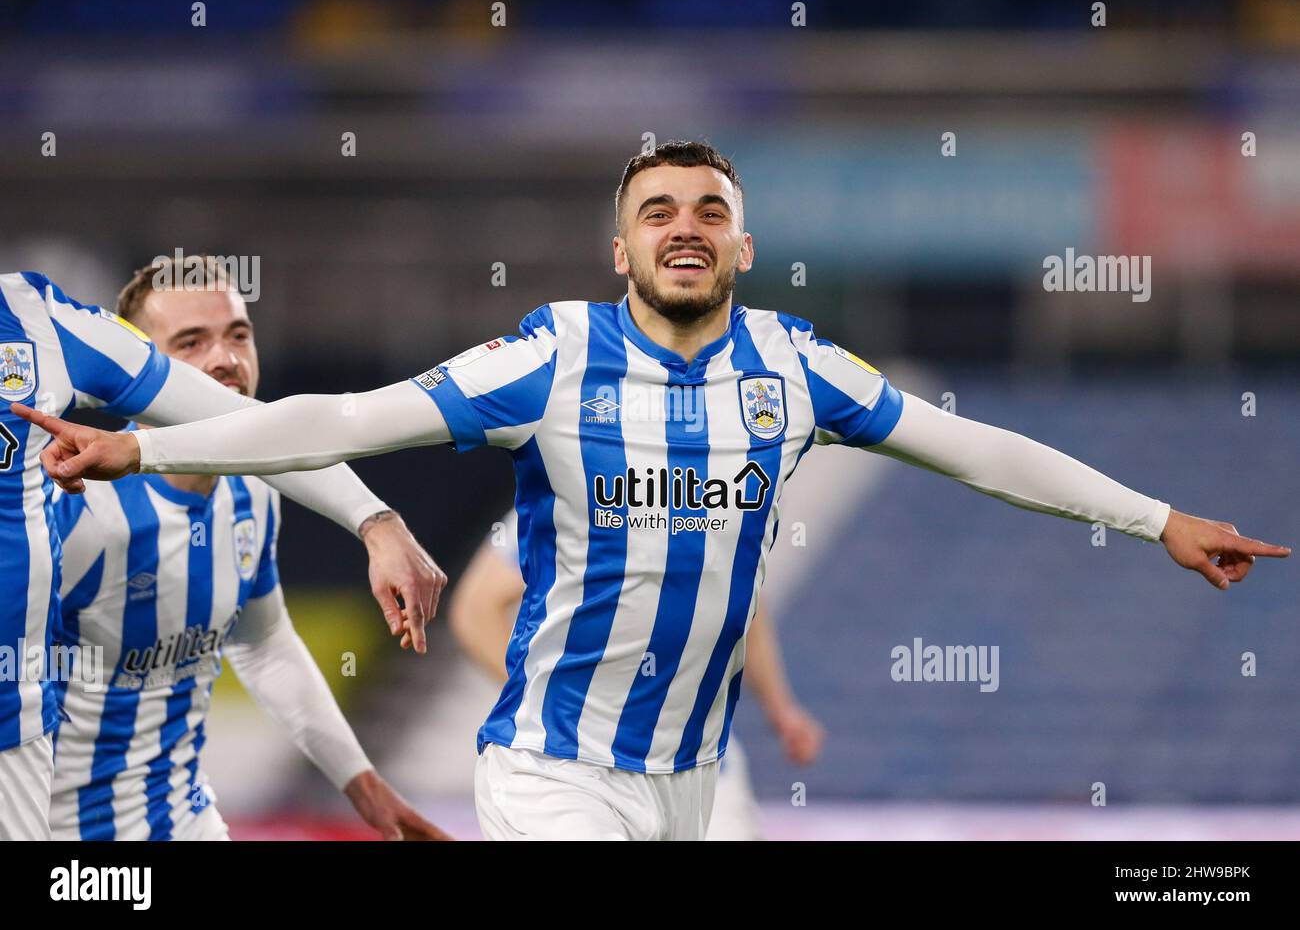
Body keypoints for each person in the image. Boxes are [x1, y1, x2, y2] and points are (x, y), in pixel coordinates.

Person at [16, 142, 1290, 840]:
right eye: (657, 209)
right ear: (617, 247)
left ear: (738, 244)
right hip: (556, 770)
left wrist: (1156, 518)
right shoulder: (556, 355)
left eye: (709, 210)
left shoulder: (796, 367)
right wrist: (140, 446)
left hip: (695, 781)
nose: (684, 224)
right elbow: (353, 416)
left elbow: (975, 448)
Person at [0, 266, 443, 841]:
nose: (224, 361)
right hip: (65, 828)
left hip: (184, 817)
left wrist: (364, 787)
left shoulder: (253, 492)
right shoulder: (79, 506)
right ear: (136, 366)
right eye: (191, 343)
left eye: (238, 335)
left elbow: (262, 642)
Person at [449, 509, 824, 839]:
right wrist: (556, 700)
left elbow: (742, 604)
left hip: (699, 763)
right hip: (582, 767)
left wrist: (782, 710)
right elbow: (475, 609)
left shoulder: (719, 478)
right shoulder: (571, 481)